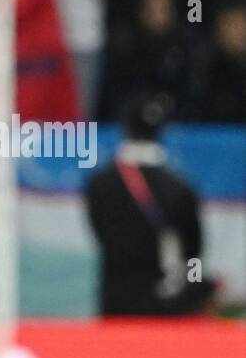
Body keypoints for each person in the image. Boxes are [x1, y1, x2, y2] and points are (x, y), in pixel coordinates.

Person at [84, 95, 214, 315]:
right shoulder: (180, 188)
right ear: (162, 132)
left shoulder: (98, 184)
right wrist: (193, 288)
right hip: (163, 305)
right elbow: (194, 253)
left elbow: (100, 233)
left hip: (114, 301)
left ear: (125, 129)